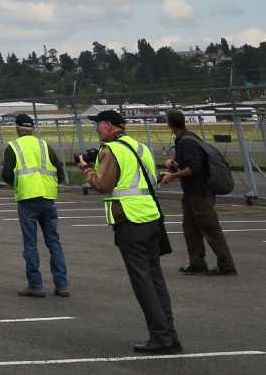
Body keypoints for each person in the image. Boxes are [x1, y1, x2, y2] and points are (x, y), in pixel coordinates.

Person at [82, 109, 180, 355]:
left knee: (142, 281)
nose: (96, 129)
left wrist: (87, 169)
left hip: (130, 219)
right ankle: (169, 334)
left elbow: (104, 185)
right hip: (151, 217)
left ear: (107, 126)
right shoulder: (141, 147)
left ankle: (160, 337)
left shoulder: (111, 150)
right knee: (156, 279)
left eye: (98, 125)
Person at [161, 109, 237, 277]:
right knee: (190, 228)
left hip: (200, 193)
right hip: (191, 193)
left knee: (210, 228)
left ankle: (226, 265)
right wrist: (173, 164)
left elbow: (193, 169)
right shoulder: (188, 138)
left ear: (169, 124)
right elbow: (187, 164)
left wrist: (172, 175)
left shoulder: (187, 142)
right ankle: (197, 263)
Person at [3, 112, 70, 297]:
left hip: (27, 198)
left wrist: (17, 184)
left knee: (30, 243)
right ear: (32, 129)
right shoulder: (44, 145)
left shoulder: (13, 147)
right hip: (48, 197)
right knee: (53, 242)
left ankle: (35, 285)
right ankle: (62, 285)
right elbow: (59, 170)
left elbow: (7, 174)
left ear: (17, 129)